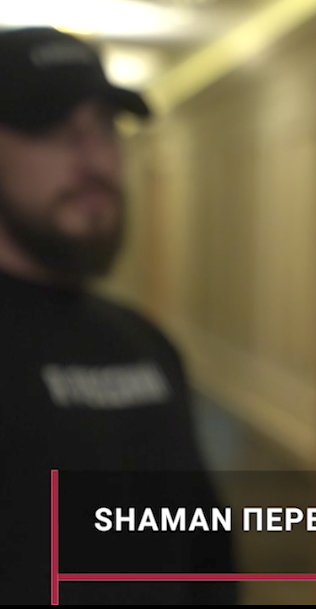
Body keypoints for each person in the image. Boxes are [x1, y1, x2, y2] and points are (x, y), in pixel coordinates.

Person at [0, 27, 236, 604]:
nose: (96, 160)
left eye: (106, 129)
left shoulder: (146, 345)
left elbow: (207, 564)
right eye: (55, 132)